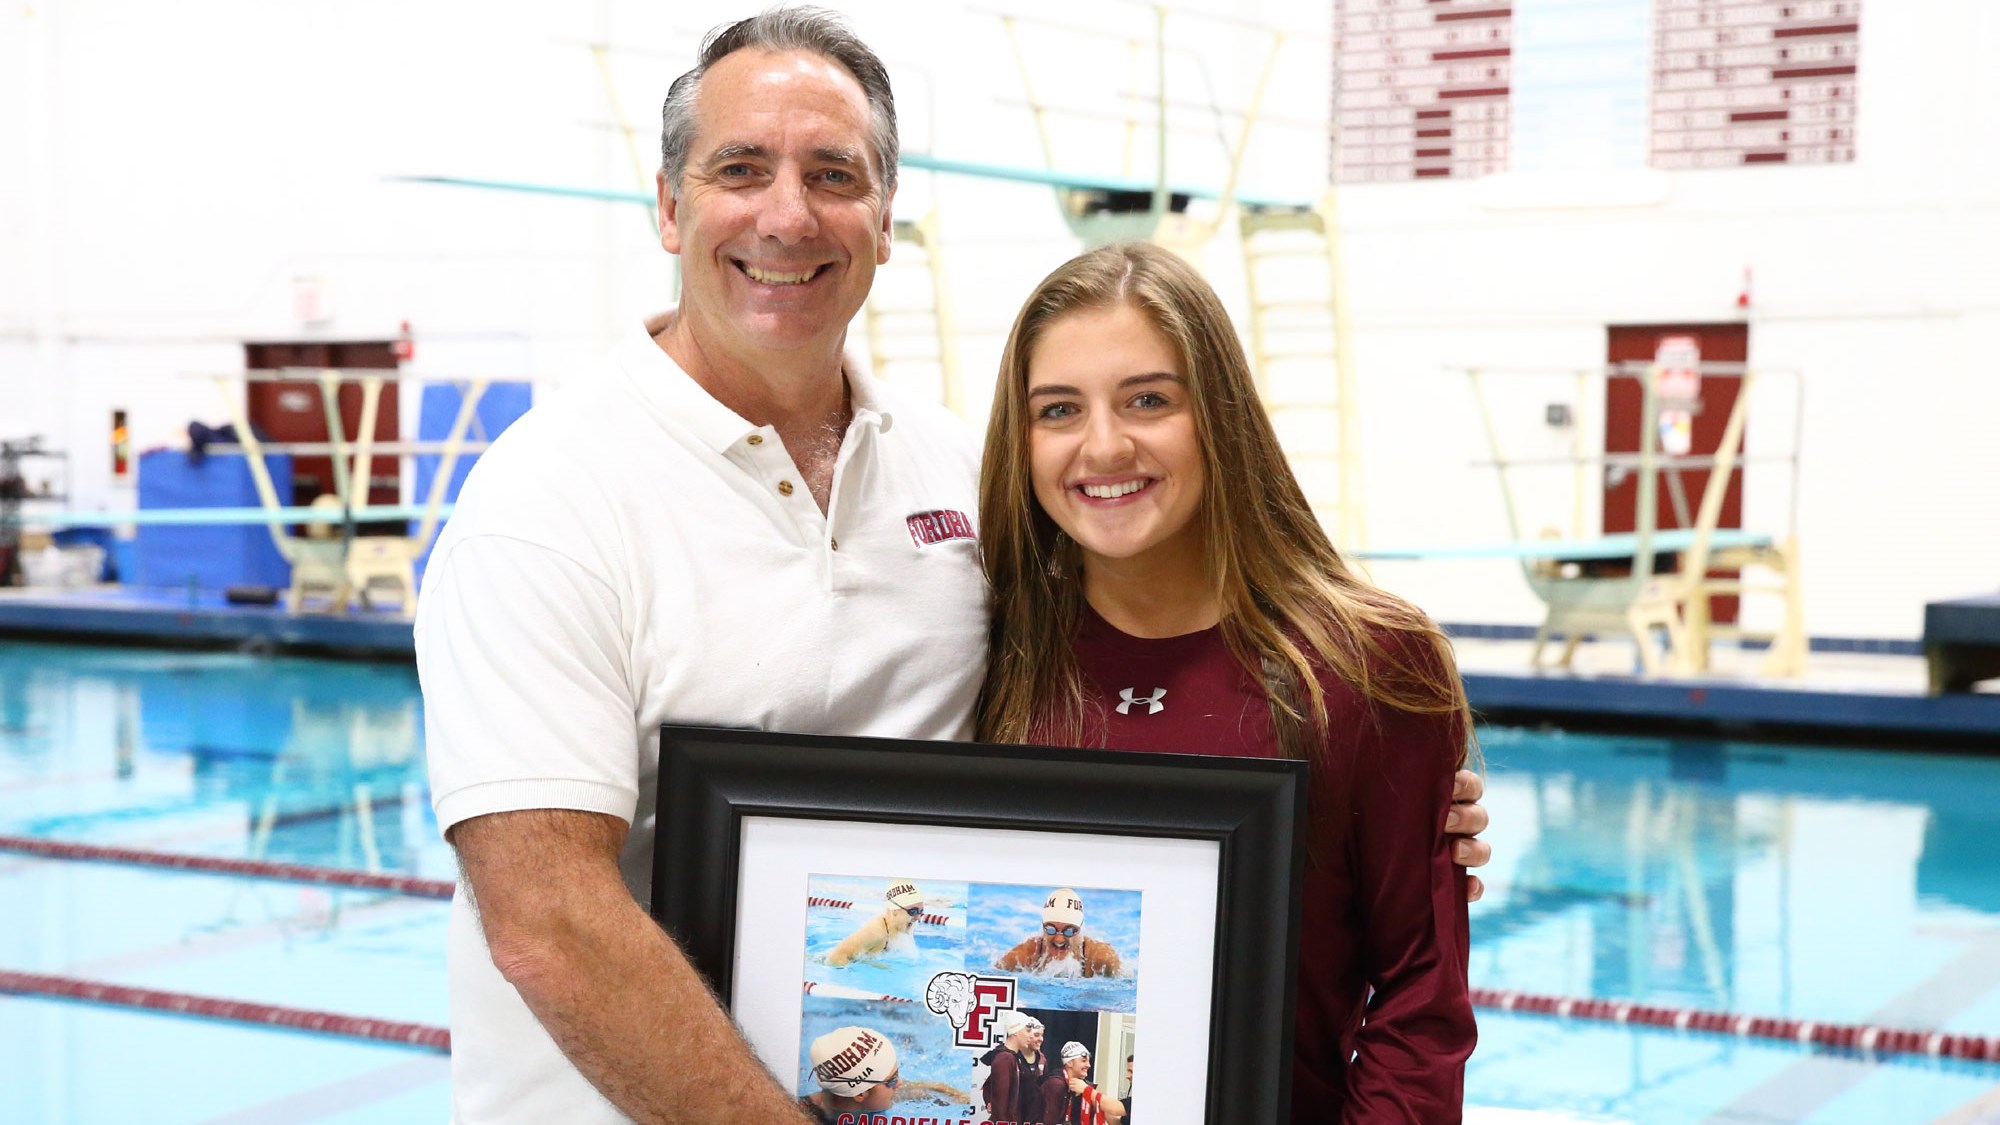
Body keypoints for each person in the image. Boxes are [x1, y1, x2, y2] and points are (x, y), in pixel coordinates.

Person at [417, 9, 1493, 1124]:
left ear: (883, 219)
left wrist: (1397, 791)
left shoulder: (952, 478)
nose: (787, 214)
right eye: (741, 169)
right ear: (669, 205)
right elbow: (547, 926)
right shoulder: (546, 503)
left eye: (832, 174)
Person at [976, 242, 1479, 1122]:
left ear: (1219, 413)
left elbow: (1419, 1004)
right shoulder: (988, 646)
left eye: (1148, 399)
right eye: (1059, 409)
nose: (1104, 444)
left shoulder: (1371, 665)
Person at [995, 887, 1123, 976]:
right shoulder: (1023, 956)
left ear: (1080, 929)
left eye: (1069, 931)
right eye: (1051, 929)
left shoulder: (1102, 960)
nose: (1059, 939)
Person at [799, 1025, 900, 1124]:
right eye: (893, 1081)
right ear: (860, 1094)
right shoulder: (800, 1116)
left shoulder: (879, 1095)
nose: (900, 1083)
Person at [827, 879, 926, 967]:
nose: (918, 917)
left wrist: (874, 964)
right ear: (894, 910)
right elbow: (835, 958)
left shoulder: (906, 925)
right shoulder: (874, 933)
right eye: (912, 912)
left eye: (921, 911)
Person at [977, 1009, 1046, 1124]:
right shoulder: (1005, 1058)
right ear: (1016, 1032)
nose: (1030, 1036)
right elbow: (1000, 1105)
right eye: (1028, 1031)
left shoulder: (1013, 1057)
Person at [1040, 1041, 1126, 1124]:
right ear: (1069, 1063)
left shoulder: (1086, 1087)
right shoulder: (1054, 1085)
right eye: (1084, 1061)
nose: (1089, 1065)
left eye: (1088, 1061)